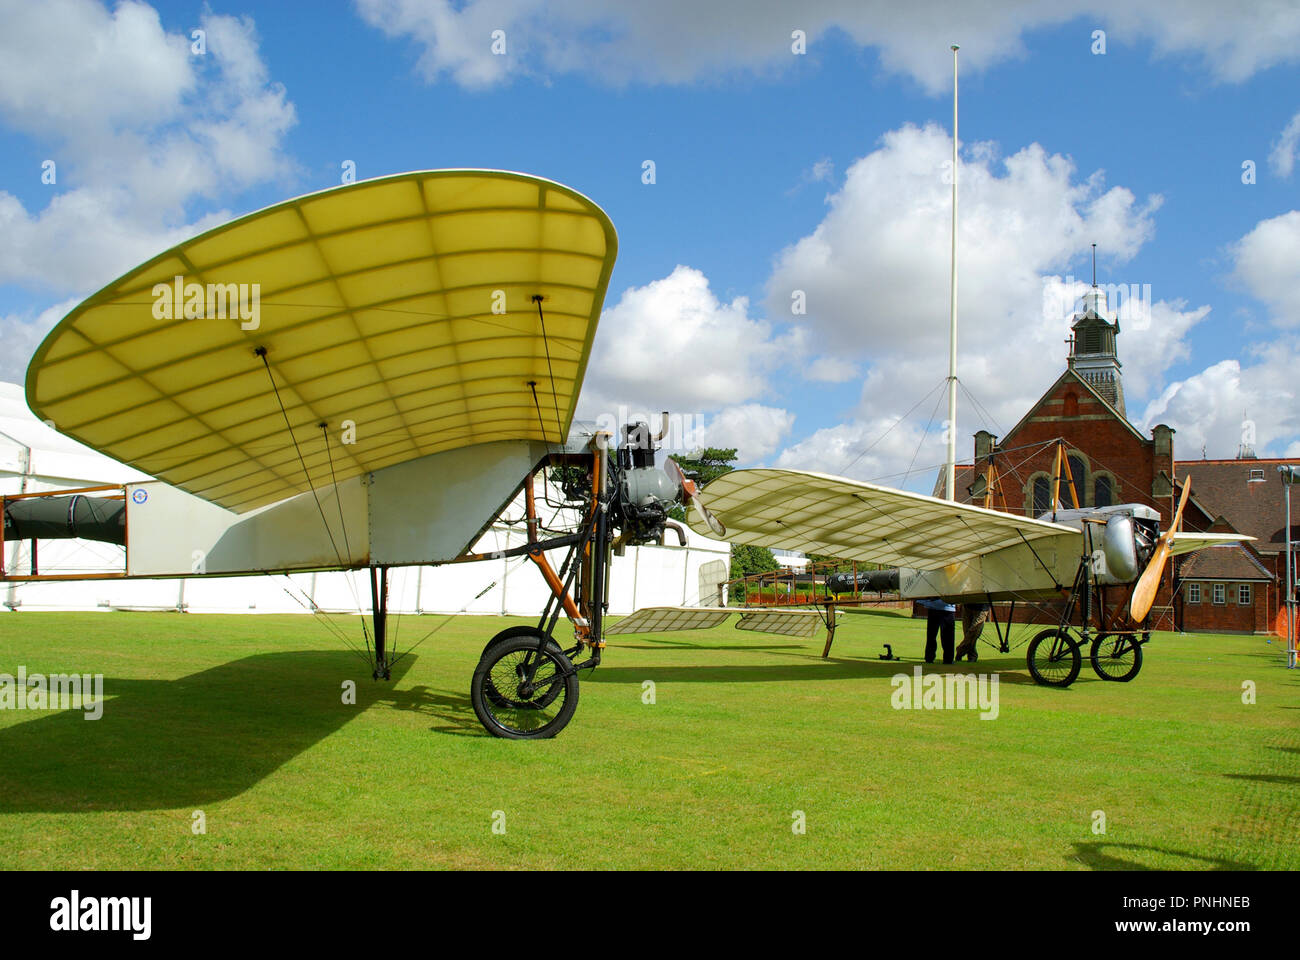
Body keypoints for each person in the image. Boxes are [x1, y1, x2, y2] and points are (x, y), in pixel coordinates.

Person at [917, 597, 956, 664]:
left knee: (936, 636)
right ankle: (946, 659)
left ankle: (930, 658)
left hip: (943, 609)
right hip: (939, 608)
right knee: (935, 636)